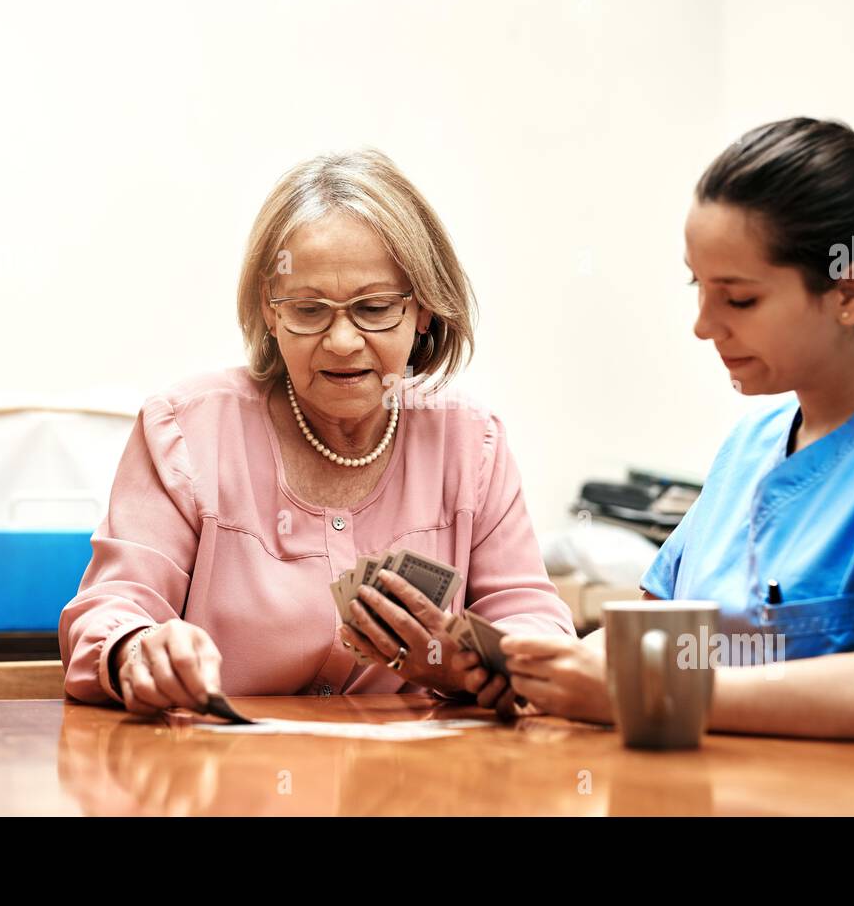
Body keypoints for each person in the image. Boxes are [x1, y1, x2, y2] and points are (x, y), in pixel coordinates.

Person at [494, 118, 854, 774]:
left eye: (737, 297)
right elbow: (644, 641)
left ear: (850, 290)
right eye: (698, 287)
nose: (704, 326)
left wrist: (646, 692)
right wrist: (504, 666)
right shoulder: (752, 446)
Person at [59, 149, 575, 718]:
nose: (342, 342)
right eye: (308, 311)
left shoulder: (469, 443)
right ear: (270, 309)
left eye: (374, 308)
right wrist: (137, 650)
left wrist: (462, 665)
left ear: (423, 309)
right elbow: (109, 613)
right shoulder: (186, 431)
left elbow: (535, 628)